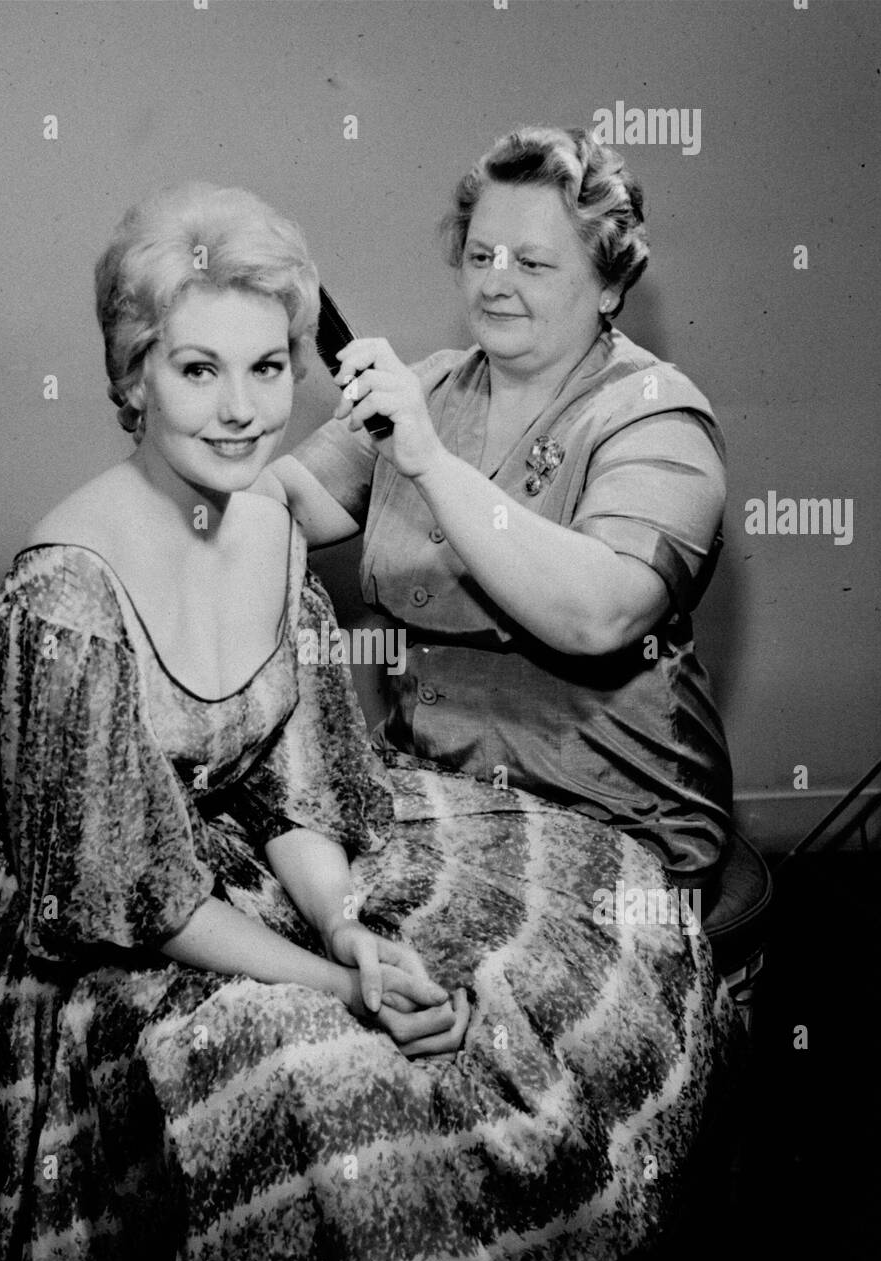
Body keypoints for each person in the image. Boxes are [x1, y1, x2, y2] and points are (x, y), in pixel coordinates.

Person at [0, 182, 737, 1261]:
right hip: (85, 923)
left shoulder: (270, 531)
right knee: (312, 1086)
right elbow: (128, 900)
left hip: (233, 865)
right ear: (131, 377)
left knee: (497, 989)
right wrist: (335, 982)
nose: (243, 410)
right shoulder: (65, 597)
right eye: (198, 370)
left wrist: (348, 928)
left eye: (269, 367)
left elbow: (295, 792)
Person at [274, 125, 733, 900]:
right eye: (480, 255)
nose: (494, 281)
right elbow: (286, 500)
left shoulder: (657, 418)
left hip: (610, 816)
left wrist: (426, 462)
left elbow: (599, 616)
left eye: (531, 262)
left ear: (610, 283)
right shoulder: (433, 390)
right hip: (434, 793)